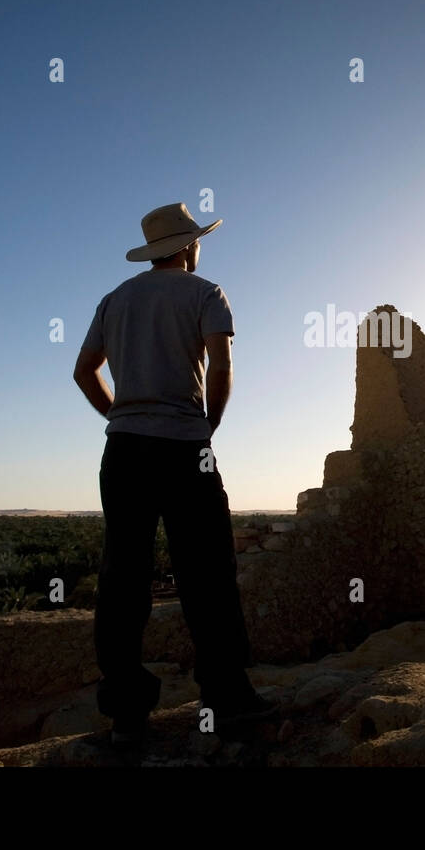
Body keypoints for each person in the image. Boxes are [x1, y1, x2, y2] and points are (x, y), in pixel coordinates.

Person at [73, 201, 276, 747]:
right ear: (187, 246)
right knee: (207, 573)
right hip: (185, 445)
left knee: (123, 579)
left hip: (124, 451)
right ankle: (228, 699)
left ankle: (127, 714)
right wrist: (208, 423)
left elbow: (82, 371)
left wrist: (119, 413)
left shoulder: (114, 300)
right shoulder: (206, 292)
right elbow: (222, 364)